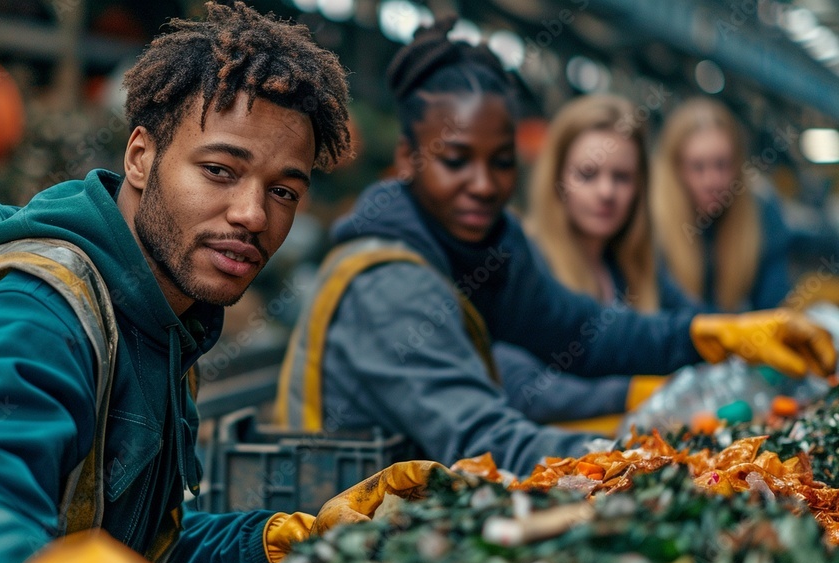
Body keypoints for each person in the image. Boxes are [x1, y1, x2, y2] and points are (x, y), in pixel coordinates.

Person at [0, 4, 444, 563]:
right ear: (140, 156)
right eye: (219, 170)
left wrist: (286, 543)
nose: (253, 214)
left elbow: (134, 557)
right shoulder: (32, 312)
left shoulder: (160, 319)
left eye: (283, 191)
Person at [274, 19, 835, 474]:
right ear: (406, 159)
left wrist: (711, 335)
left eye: (501, 162)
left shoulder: (488, 247)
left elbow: (582, 333)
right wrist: (672, 460)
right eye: (455, 160)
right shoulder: (388, 282)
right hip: (334, 530)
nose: (483, 185)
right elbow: (487, 441)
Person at [495, 93, 703, 427]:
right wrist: (636, 393)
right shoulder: (526, 264)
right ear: (556, 178)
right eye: (588, 174)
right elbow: (527, 391)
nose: (606, 192)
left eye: (622, 177)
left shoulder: (634, 267)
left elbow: (691, 322)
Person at [651, 96, 791, 312]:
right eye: (697, 167)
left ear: (738, 164)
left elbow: (774, 304)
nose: (712, 181)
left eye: (722, 165)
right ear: (675, 169)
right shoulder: (652, 219)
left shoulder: (762, 212)